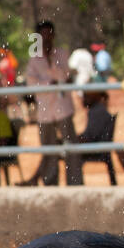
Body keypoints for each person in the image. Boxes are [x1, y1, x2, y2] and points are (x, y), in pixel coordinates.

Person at [22, 20, 82, 186]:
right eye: (43, 35)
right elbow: (31, 85)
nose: (47, 38)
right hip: (45, 111)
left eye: (49, 34)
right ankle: (50, 183)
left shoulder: (62, 54)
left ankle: (75, 183)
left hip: (63, 108)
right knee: (48, 149)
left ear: (54, 35)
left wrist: (51, 66)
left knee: (71, 147)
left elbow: (65, 76)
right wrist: (50, 84)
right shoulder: (34, 60)